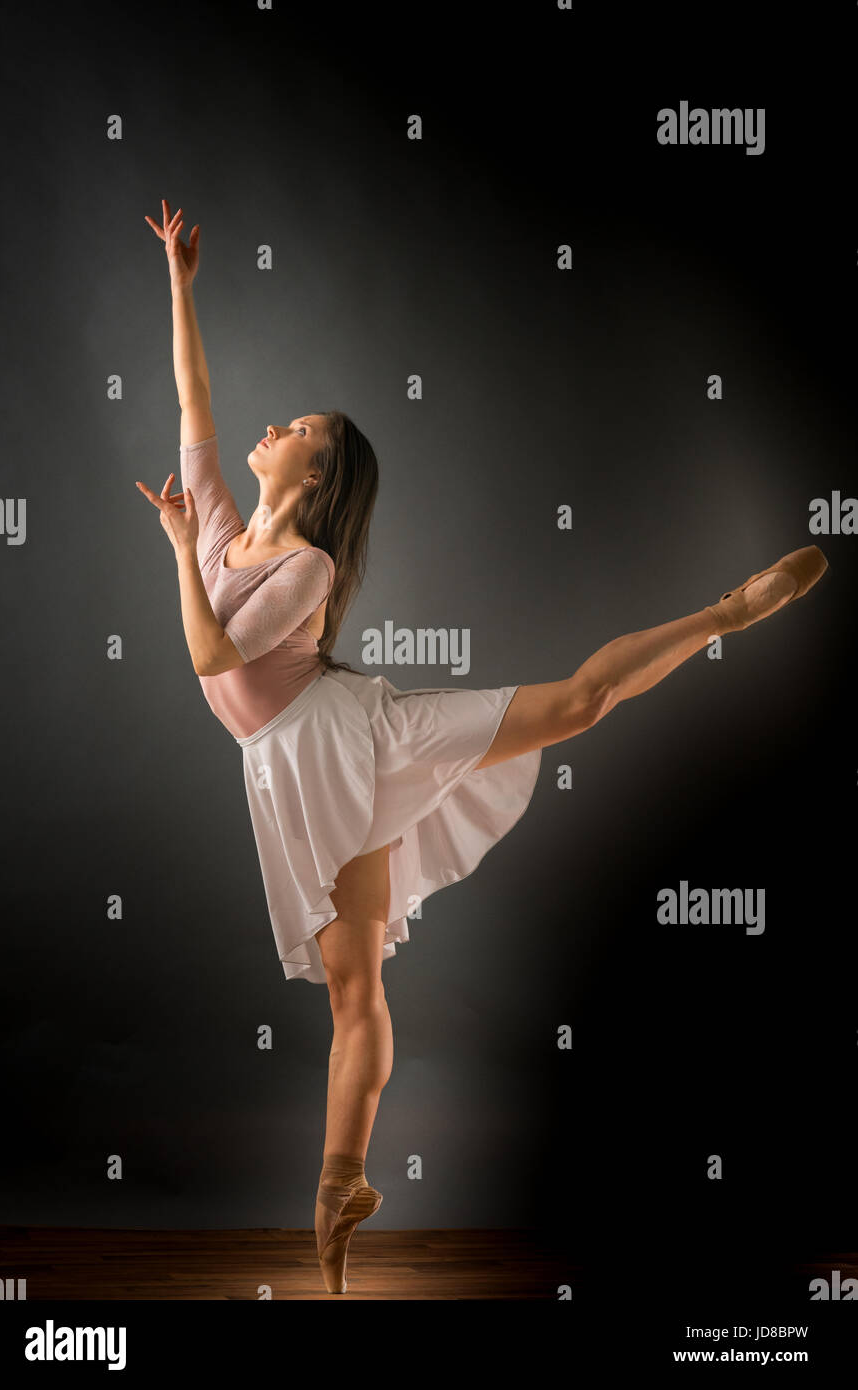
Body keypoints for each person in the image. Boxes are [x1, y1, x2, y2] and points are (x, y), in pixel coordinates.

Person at [137, 199, 829, 1295]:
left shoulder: (303, 568)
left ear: (314, 477)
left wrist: (179, 551)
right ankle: (340, 1187)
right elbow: (193, 398)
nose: (272, 429)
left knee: (576, 704)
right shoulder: (231, 522)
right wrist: (180, 279)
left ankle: (722, 614)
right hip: (287, 773)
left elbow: (209, 658)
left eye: (299, 429)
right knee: (353, 993)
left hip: (349, 733)